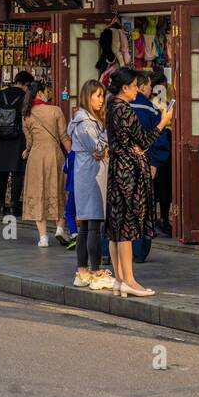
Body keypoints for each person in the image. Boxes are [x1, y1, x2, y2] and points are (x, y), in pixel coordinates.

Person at [105, 66, 174, 297]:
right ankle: (129, 280)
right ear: (125, 88)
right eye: (134, 86)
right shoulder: (123, 109)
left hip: (118, 169)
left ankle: (119, 279)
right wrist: (163, 122)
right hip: (128, 171)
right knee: (125, 226)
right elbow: (144, 141)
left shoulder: (111, 106)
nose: (138, 90)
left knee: (116, 225)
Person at [68, 80, 116, 291]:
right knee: (93, 224)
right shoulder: (85, 122)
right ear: (87, 96)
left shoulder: (86, 120)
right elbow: (98, 148)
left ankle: (83, 271)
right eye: (96, 96)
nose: (100, 100)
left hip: (87, 174)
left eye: (101, 96)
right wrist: (107, 136)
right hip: (90, 176)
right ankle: (96, 272)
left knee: (87, 226)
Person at [21, 80, 71, 246]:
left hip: (36, 157)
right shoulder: (55, 110)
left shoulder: (26, 115)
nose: (48, 94)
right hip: (54, 155)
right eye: (46, 92)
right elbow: (64, 137)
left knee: (38, 192)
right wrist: (73, 155)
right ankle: (59, 228)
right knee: (60, 190)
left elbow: (29, 141)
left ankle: (43, 237)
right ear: (40, 94)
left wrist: (26, 151)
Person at [132, 70, 171, 245]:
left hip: (120, 165)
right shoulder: (151, 109)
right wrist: (155, 161)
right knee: (143, 204)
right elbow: (159, 137)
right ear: (140, 87)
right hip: (145, 161)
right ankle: (140, 247)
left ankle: (108, 250)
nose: (150, 90)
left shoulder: (115, 107)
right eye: (148, 86)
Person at [0, 69, 32, 216]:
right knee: (17, 172)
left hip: (0, 137)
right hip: (18, 138)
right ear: (26, 84)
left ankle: (0, 205)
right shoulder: (26, 96)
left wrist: (4, 125)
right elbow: (27, 117)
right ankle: (13, 206)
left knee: (2, 172)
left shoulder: (0, 94)